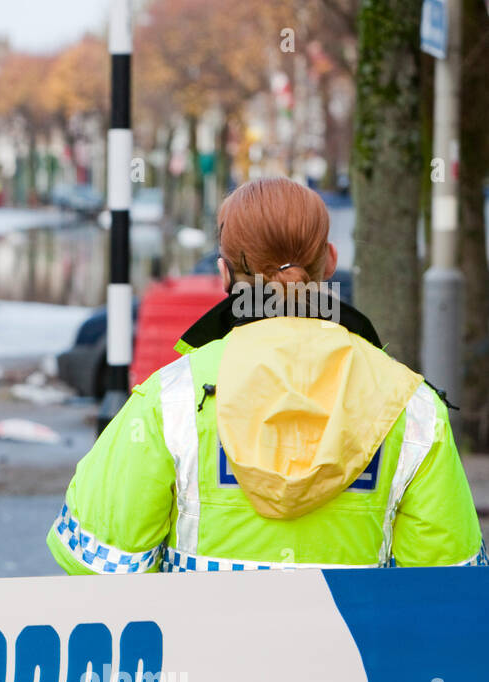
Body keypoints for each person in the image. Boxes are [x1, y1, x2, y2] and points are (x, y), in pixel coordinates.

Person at [47, 177, 487, 574]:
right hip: (352, 662)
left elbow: (96, 558)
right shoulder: (411, 405)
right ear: (330, 262)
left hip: (204, 660)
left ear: (223, 273)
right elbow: (446, 582)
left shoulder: (172, 397)